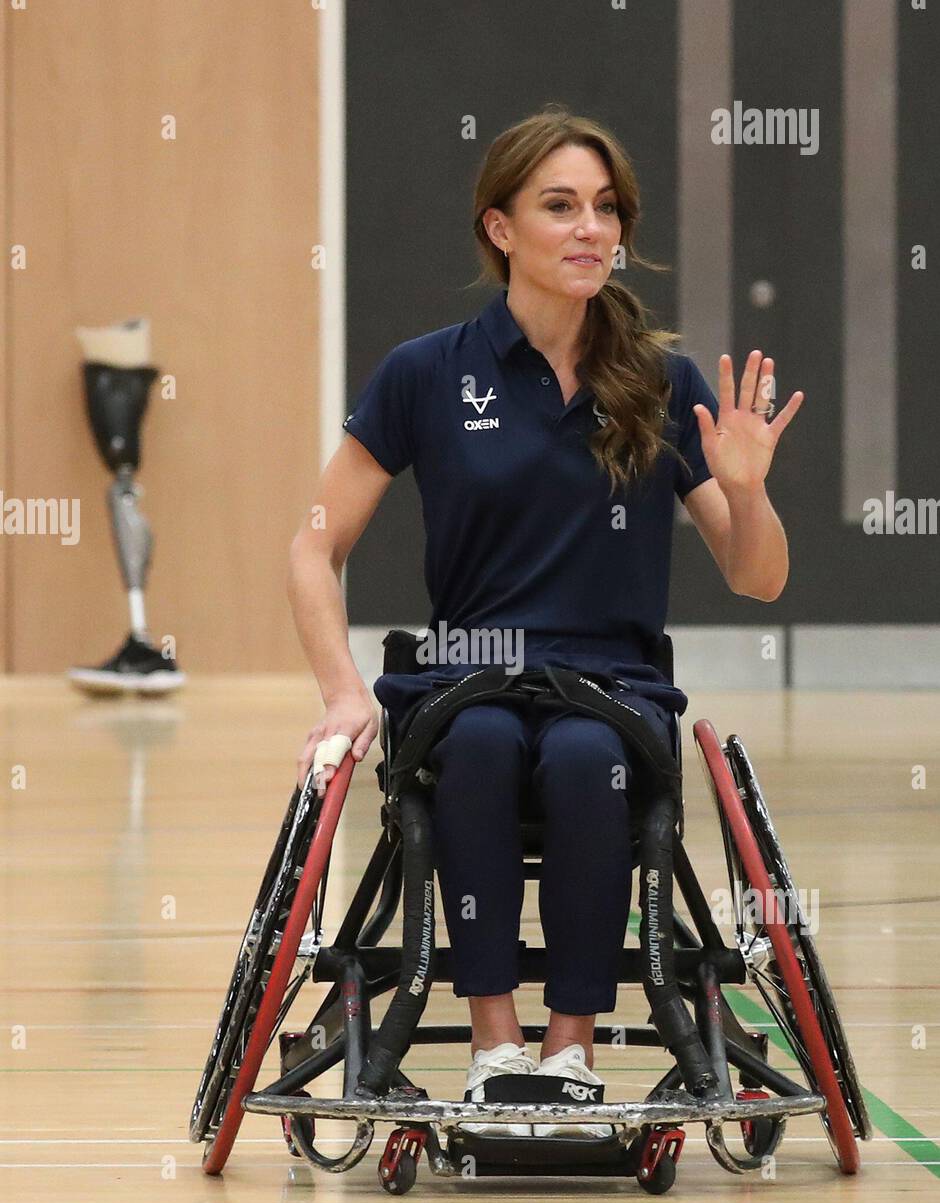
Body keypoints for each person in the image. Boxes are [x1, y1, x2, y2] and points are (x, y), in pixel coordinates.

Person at [287, 107, 802, 1138]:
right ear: (500, 228)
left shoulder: (661, 381)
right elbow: (312, 543)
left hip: (609, 683)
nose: (589, 229)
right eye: (559, 207)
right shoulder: (426, 372)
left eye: (605, 209)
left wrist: (745, 492)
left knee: (581, 761)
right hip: (465, 675)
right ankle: (494, 1047)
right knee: (476, 745)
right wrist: (345, 693)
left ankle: (568, 1049)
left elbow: (758, 581)